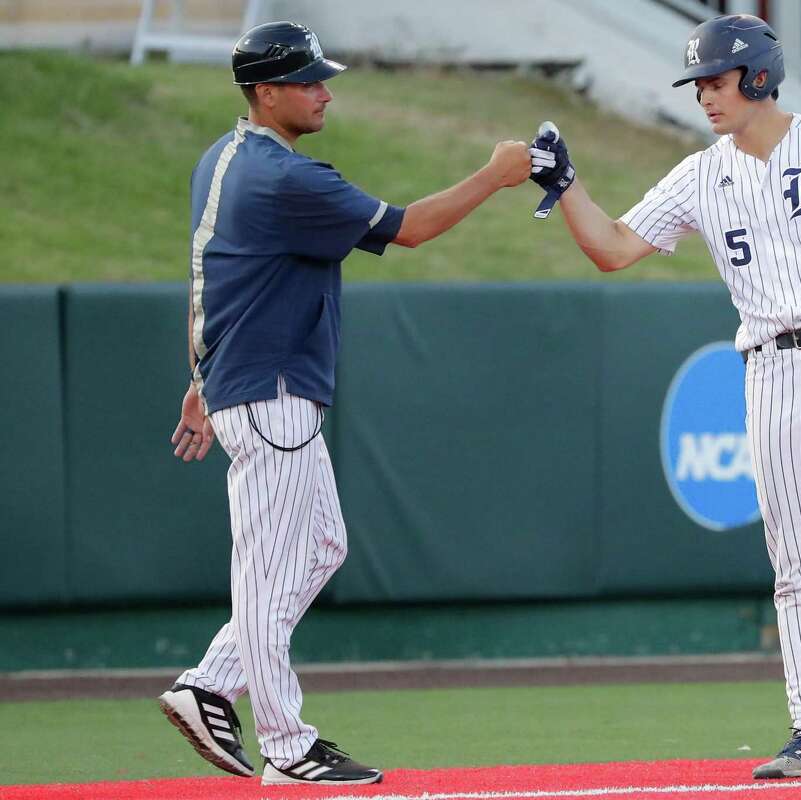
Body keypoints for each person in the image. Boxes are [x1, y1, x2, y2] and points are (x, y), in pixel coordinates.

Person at [528, 14, 801, 779]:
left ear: (759, 76)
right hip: (771, 370)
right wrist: (566, 186)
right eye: (698, 84)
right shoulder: (703, 173)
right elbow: (614, 248)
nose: (705, 96)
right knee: (795, 562)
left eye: (716, 80)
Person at [160, 21, 530, 787]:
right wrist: (495, 174)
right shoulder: (285, 179)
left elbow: (209, 272)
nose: (324, 89)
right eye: (306, 79)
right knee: (265, 576)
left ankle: (208, 682)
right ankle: (288, 747)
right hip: (273, 395)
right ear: (266, 93)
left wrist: (200, 379)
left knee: (322, 547)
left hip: (247, 387)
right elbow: (412, 229)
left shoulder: (223, 158)